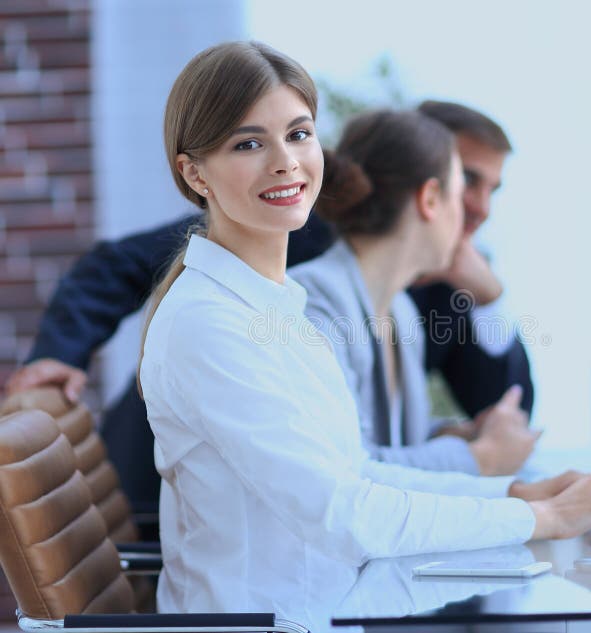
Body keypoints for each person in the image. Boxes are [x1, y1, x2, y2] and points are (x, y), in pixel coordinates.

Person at [139, 40, 591, 613]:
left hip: (329, 606)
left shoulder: (277, 307)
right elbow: (341, 515)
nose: (285, 161)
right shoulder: (210, 325)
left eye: (298, 133)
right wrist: (540, 516)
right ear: (195, 173)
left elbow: (358, 474)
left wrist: (516, 492)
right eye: (249, 143)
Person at [4, 104, 533, 510]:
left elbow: (505, 410)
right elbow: (118, 266)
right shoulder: (284, 232)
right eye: (467, 181)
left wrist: (491, 301)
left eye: (493, 189)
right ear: (425, 188)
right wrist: (58, 354)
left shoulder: (429, 292)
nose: (479, 208)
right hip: (169, 492)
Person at [291, 109, 536, 476]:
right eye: (463, 186)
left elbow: (381, 439)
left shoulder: (401, 311)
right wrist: (479, 459)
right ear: (431, 198)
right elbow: (342, 472)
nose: (480, 211)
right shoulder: (312, 302)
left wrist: (450, 437)